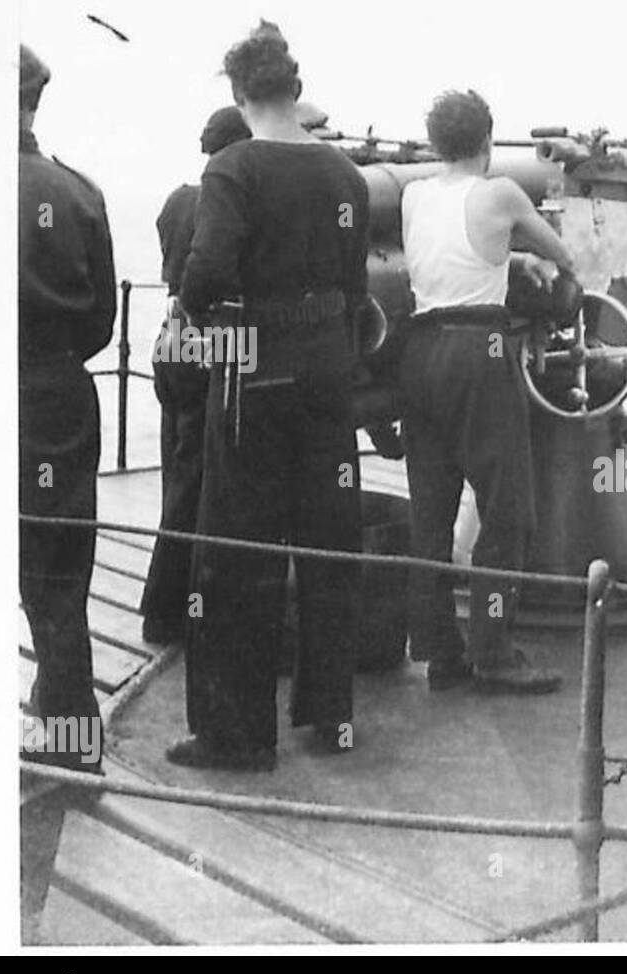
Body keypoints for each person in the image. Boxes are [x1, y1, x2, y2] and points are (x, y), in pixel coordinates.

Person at [166, 22, 370, 771]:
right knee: (328, 541)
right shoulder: (346, 176)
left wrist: (192, 314)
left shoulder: (234, 167)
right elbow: (354, 286)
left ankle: (237, 733)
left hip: (255, 370)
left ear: (240, 92)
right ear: (295, 86)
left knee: (236, 552)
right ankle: (328, 712)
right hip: (326, 371)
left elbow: (207, 272)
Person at [400, 89, 575, 693]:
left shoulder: (413, 194)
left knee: (430, 515)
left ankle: (439, 653)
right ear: (488, 140)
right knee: (507, 514)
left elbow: (451, 260)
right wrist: (532, 263)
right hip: (482, 352)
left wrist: (507, 264)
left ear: (434, 142)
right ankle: (494, 652)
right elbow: (565, 255)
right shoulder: (501, 192)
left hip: (418, 352)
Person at [18, 44, 117, 774]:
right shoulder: (79, 191)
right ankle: (69, 732)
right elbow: (101, 323)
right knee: (60, 571)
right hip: (59, 397)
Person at [140, 107, 250, 644]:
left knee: (178, 469)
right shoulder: (231, 198)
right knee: (208, 478)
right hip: (220, 338)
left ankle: (174, 600)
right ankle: (174, 608)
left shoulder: (177, 200)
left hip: (172, 339)